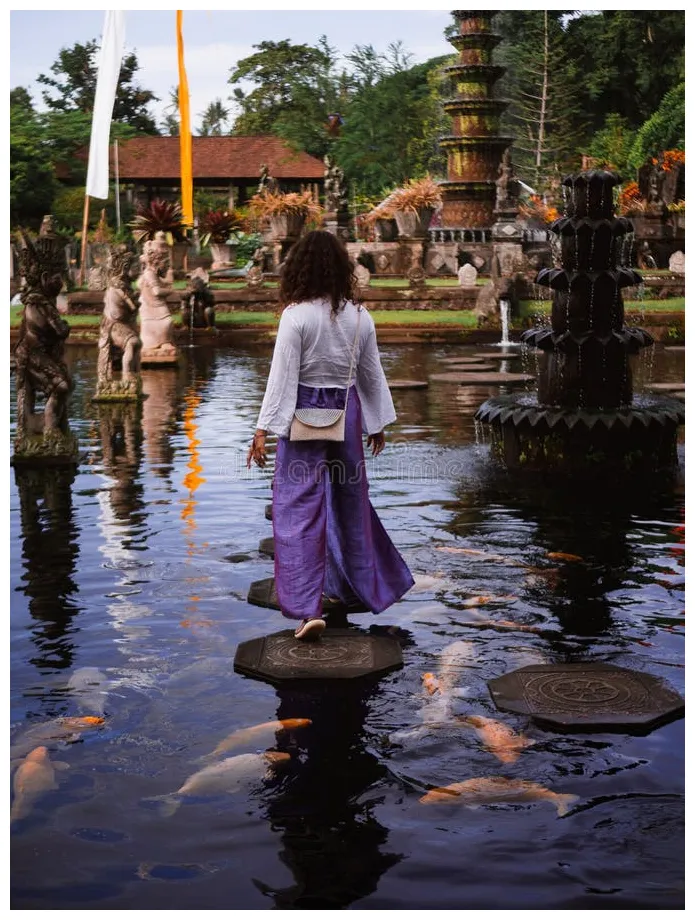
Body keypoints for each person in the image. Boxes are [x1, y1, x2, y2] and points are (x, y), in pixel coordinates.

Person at [247, 230, 414, 641]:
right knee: (351, 502)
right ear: (341, 268)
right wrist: (377, 424)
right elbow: (371, 373)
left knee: (297, 509)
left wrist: (262, 429)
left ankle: (309, 609)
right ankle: (361, 588)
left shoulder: (296, 316)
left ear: (299, 269)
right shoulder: (360, 316)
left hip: (304, 413)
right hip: (348, 413)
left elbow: (282, 378)